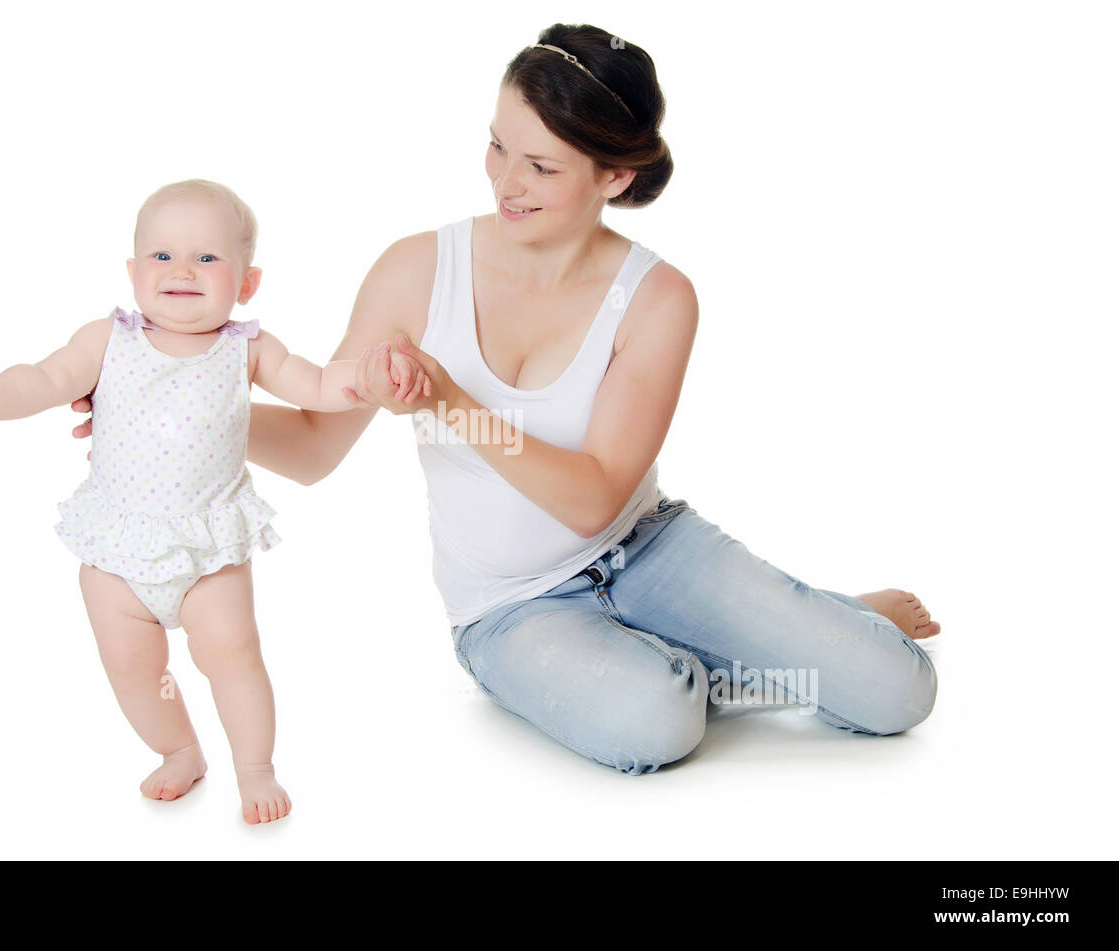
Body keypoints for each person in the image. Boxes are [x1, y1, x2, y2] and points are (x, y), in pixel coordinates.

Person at [74, 25, 941, 775]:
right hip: (512, 609)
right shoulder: (417, 270)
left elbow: (599, 492)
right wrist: (166, 414)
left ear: (611, 177)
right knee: (658, 724)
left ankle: (812, 631)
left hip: (647, 548)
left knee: (897, 688)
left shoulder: (658, 296)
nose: (504, 182)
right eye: (496, 146)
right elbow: (312, 447)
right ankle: (771, 643)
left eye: (540, 164)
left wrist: (449, 396)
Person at [0, 179, 429, 822]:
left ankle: (255, 768)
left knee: (234, 658)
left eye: (207, 258)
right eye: (162, 256)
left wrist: (369, 379)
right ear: (132, 272)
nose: (182, 270)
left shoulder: (247, 348)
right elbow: (44, 380)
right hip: (116, 551)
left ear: (247, 283)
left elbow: (320, 385)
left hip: (208, 552)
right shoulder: (106, 339)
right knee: (133, 668)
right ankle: (179, 750)